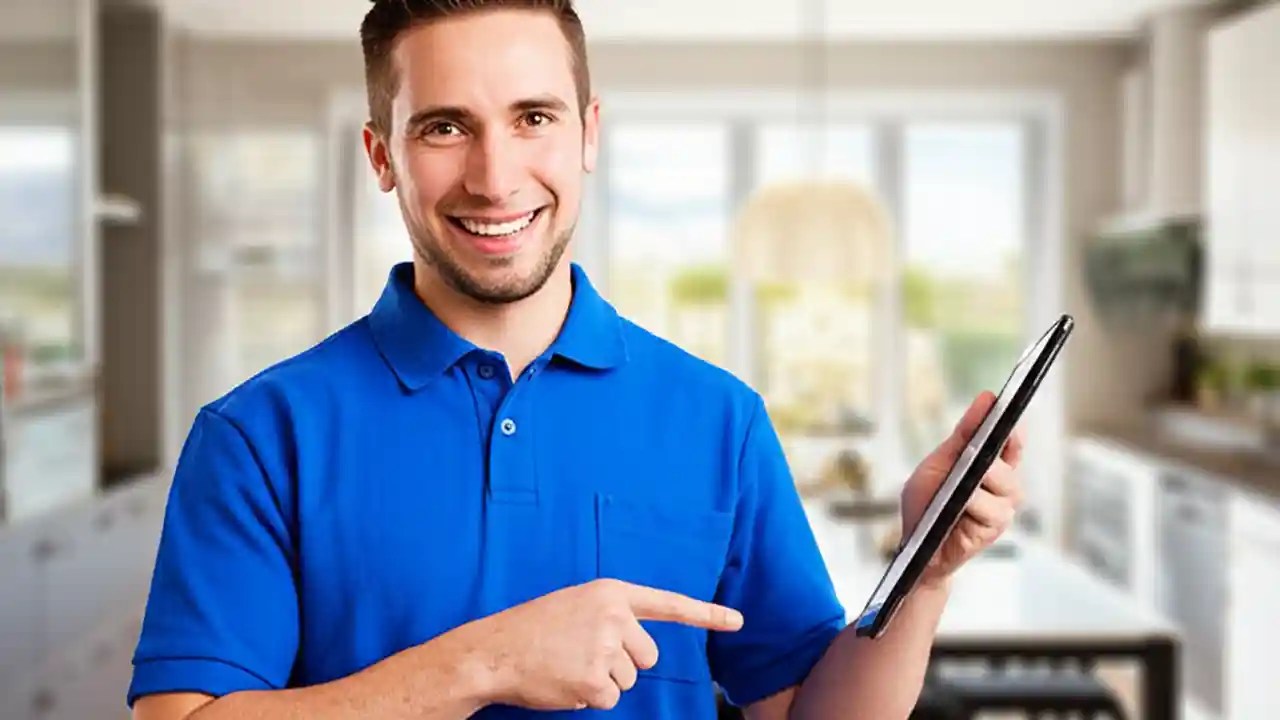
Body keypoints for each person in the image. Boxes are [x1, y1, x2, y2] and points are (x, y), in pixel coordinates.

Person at [128, 1, 1025, 718]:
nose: (494, 176)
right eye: (445, 127)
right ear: (382, 155)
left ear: (589, 133)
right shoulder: (258, 436)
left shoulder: (718, 420)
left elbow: (799, 712)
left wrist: (927, 571)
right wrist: (484, 663)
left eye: (533, 117)